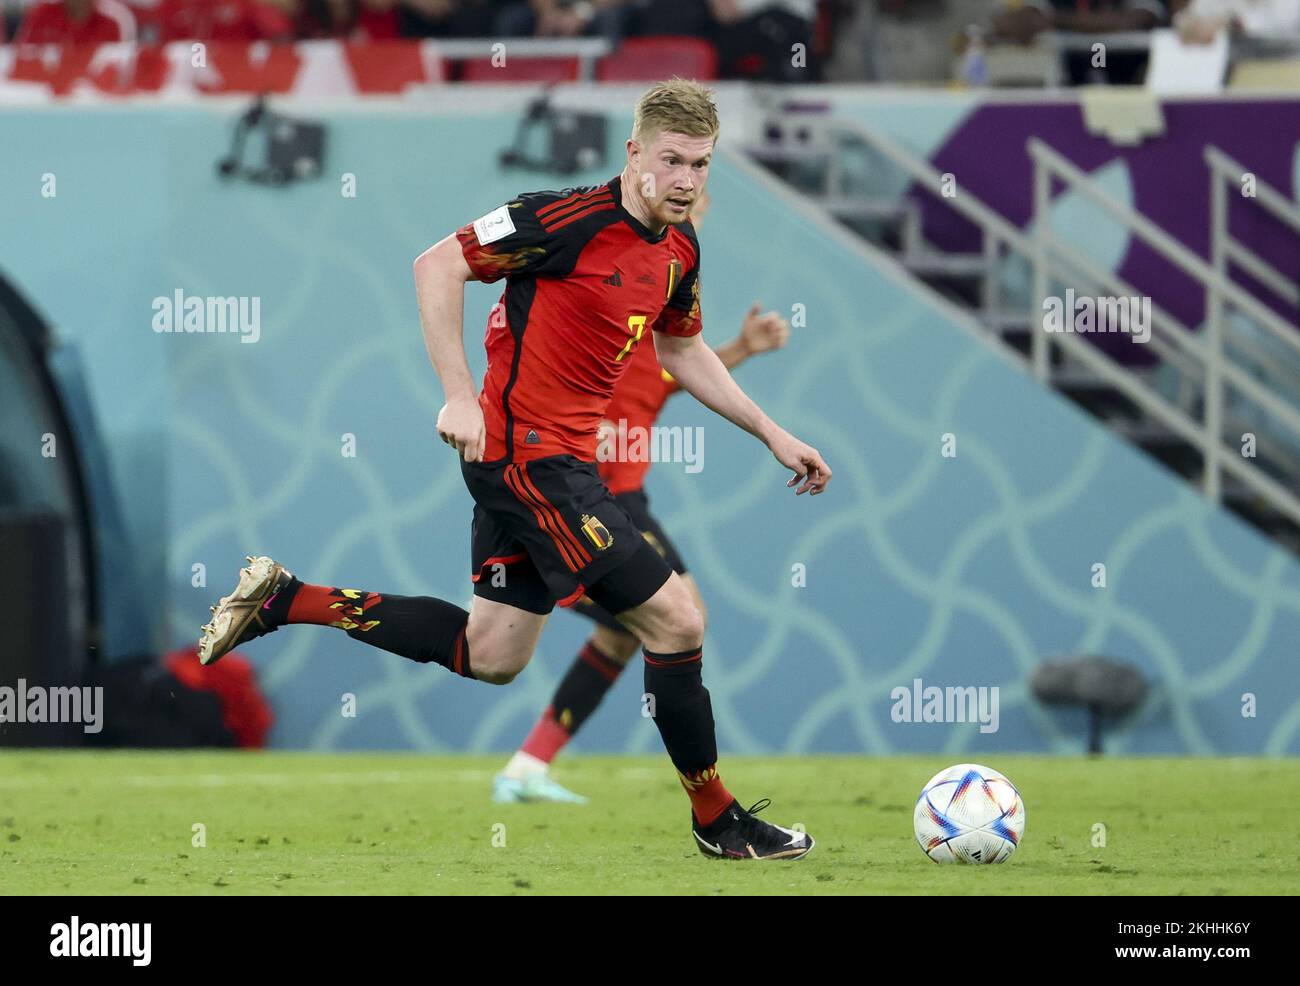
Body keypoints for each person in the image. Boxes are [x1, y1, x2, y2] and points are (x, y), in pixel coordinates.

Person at [199, 78, 831, 861]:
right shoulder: (559, 218)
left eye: (701, 166)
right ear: (633, 152)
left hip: (547, 465)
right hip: (532, 460)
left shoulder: (680, 250)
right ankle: (717, 819)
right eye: (672, 161)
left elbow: (680, 350)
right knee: (677, 620)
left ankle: (288, 600)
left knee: (492, 654)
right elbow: (437, 265)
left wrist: (771, 432)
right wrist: (458, 395)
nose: (686, 181)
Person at [492, 186, 793, 804]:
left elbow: (663, 377)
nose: (694, 206)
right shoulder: (615, 275)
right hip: (578, 488)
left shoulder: (665, 284)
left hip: (621, 493)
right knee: (675, 620)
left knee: (641, 628)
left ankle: (528, 765)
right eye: (686, 188)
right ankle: (707, 801)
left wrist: (740, 351)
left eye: (704, 195)